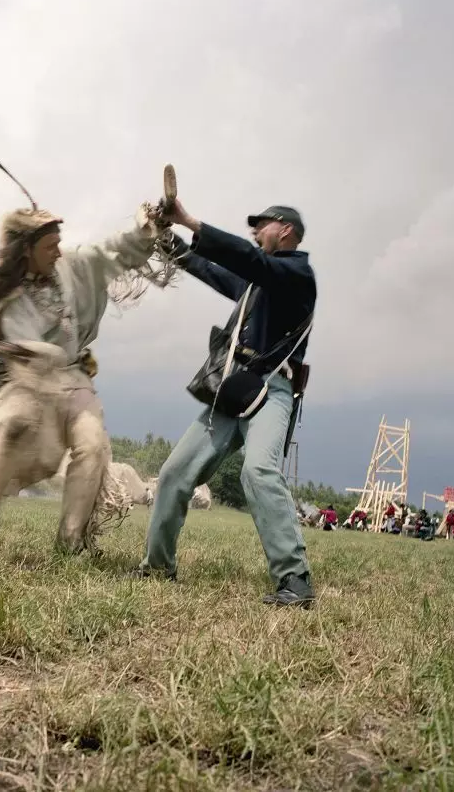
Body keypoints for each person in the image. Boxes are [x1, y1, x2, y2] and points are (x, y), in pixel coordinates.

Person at [0, 197, 173, 559]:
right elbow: (13, 351)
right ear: (26, 251)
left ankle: (70, 543)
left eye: (58, 243)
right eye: (49, 246)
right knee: (11, 423)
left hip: (71, 374)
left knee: (93, 443)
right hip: (24, 380)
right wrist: (21, 354)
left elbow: (111, 249)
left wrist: (147, 226)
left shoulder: (71, 265)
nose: (58, 251)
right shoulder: (8, 298)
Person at [131, 201, 317, 607]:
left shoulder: (297, 273)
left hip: (273, 390)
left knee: (259, 471)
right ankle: (158, 567)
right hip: (236, 389)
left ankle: (295, 581)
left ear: (285, 230)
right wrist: (166, 239)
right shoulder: (256, 282)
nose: (254, 231)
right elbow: (213, 270)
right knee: (174, 472)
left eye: (261, 225)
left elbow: (250, 260)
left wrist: (188, 220)